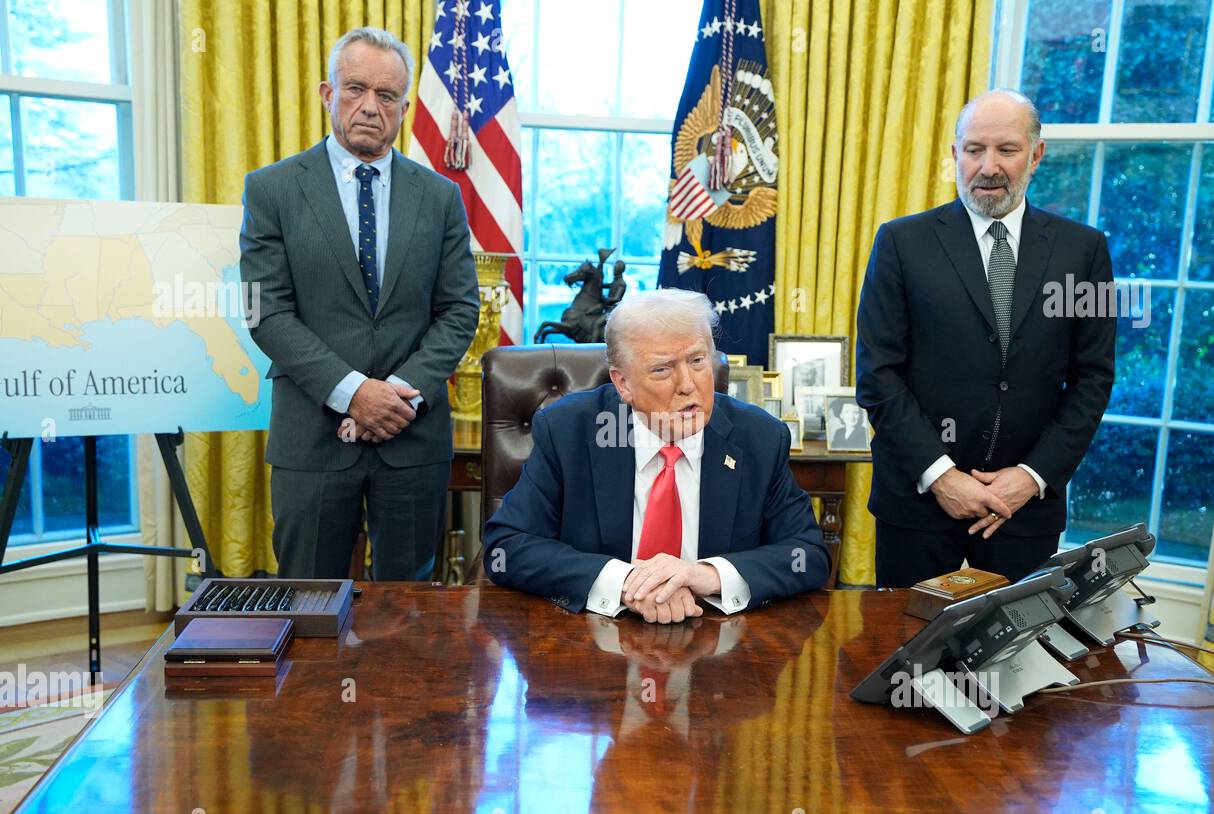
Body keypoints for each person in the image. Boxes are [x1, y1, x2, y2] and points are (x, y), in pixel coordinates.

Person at [240, 26, 479, 580]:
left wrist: (391, 398)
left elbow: (460, 309)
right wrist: (353, 394)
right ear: (328, 94)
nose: (370, 107)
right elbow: (264, 310)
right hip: (313, 437)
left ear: (404, 107)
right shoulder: (271, 189)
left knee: (412, 618)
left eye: (386, 95)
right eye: (355, 89)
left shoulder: (441, 197)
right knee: (309, 607)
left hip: (412, 435)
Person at [855, 89, 1115, 587]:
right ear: (955, 154)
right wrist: (942, 477)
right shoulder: (900, 242)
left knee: (1016, 657)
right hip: (918, 504)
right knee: (908, 653)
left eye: (1007, 150)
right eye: (974, 149)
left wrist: (1032, 477)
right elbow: (878, 375)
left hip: (1026, 510)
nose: (988, 166)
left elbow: (1093, 379)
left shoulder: (1085, 251)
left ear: (1036, 155)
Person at [484, 288, 830, 623]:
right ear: (623, 384)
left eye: (697, 361)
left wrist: (707, 575)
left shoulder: (759, 438)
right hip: (591, 648)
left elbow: (807, 555)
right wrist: (623, 582)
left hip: (716, 650)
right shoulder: (568, 431)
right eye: (663, 369)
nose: (687, 384)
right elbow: (507, 547)